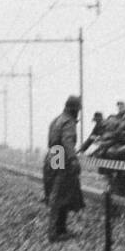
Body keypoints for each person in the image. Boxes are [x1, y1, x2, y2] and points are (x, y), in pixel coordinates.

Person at [42, 95, 85, 241]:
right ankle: (54, 233)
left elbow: (52, 142)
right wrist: (73, 160)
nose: (78, 113)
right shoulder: (69, 122)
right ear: (74, 109)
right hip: (62, 155)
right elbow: (67, 141)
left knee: (60, 193)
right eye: (78, 110)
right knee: (60, 194)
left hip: (55, 154)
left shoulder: (56, 120)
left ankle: (61, 230)